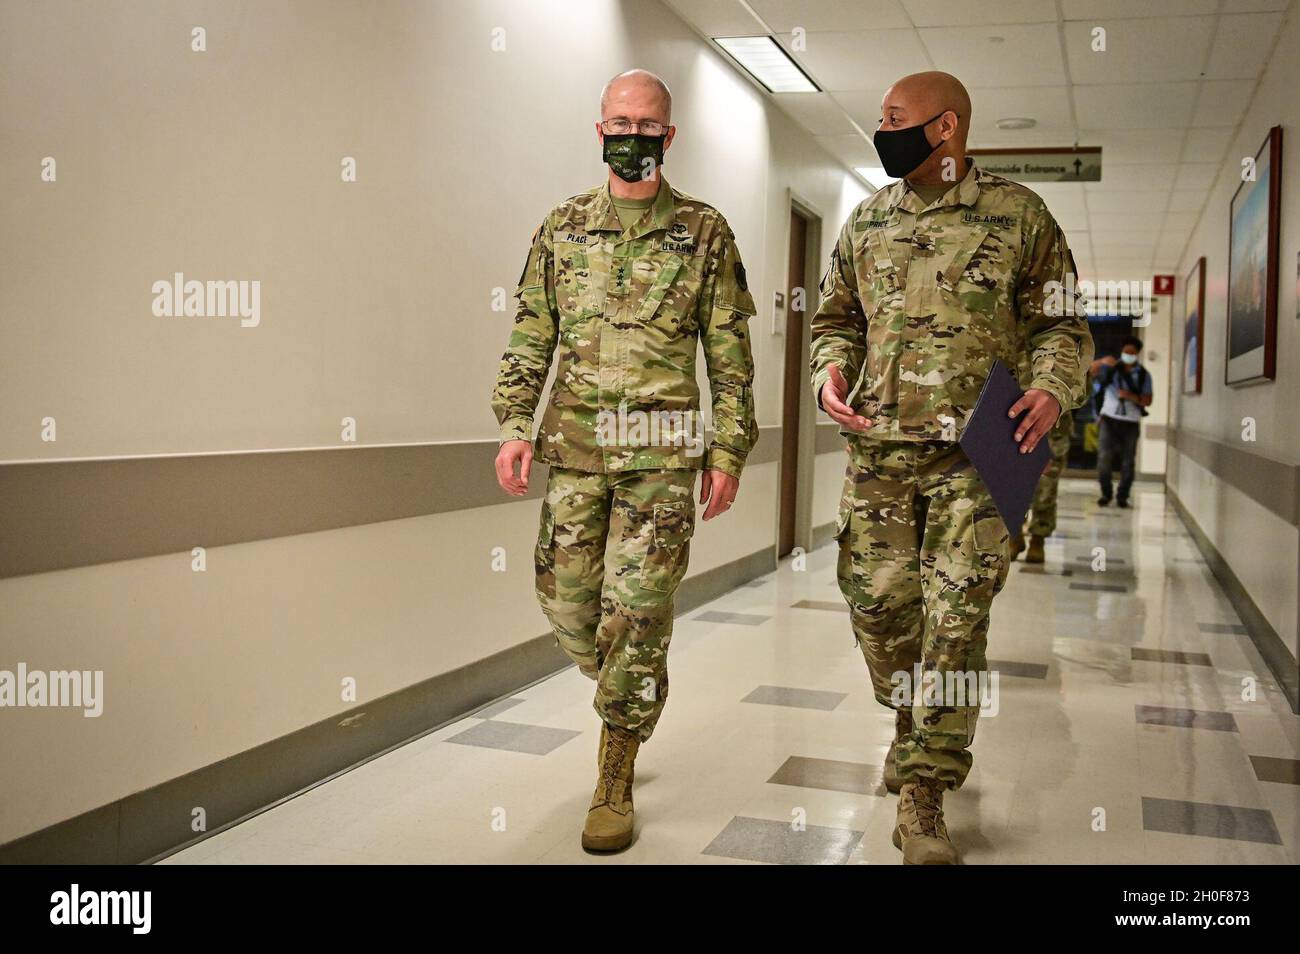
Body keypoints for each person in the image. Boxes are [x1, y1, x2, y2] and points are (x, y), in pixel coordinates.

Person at [810, 71, 1092, 864]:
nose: (882, 129)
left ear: (946, 128)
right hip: (880, 455)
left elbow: (1062, 324)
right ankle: (908, 723)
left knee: (957, 618)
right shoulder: (866, 221)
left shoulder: (1020, 216)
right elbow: (835, 319)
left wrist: (1051, 384)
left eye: (895, 118)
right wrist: (827, 372)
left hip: (981, 452)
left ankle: (928, 787)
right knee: (877, 610)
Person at [491, 69, 757, 852]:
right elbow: (532, 332)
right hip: (573, 452)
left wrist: (729, 449)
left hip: (663, 461)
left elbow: (730, 356)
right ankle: (619, 681)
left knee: (638, 616)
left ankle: (615, 766)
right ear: (598, 129)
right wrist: (514, 424)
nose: (631, 134)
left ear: (669, 137)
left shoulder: (706, 233)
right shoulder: (562, 227)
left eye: (647, 124)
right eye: (618, 121)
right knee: (568, 603)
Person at [1090, 335, 1152, 508]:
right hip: (1108, 419)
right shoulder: (1110, 369)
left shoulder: (1143, 375)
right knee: (1103, 459)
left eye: (1132, 352)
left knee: (1128, 461)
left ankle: (1122, 496)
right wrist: (1102, 361)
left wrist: (1130, 396)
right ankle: (1106, 493)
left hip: (1130, 422)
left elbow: (1148, 400)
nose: (1128, 355)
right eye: (1125, 352)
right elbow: (1088, 371)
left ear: (1137, 354)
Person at [1010, 410, 1073, 564]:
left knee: (1046, 486)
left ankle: (1038, 539)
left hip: (1054, 420)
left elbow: (1083, 389)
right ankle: (1014, 534)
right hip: (1014, 417)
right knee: (1012, 482)